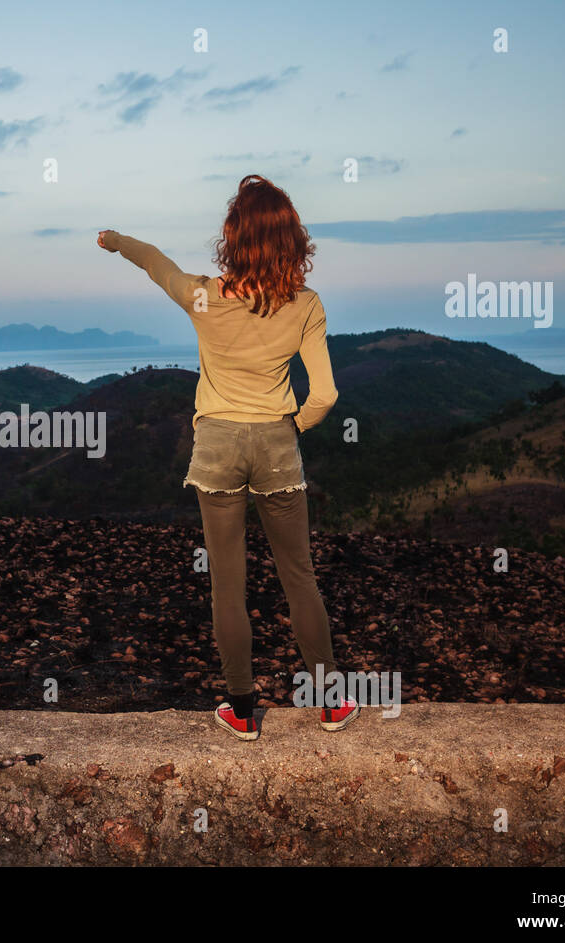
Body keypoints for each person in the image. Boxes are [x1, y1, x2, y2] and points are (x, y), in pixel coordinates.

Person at [97, 174, 359, 741]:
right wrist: (293, 426)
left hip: (216, 447)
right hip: (276, 446)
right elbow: (326, 394)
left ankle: (242, 710)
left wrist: (115, 240)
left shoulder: (203, 296)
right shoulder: (306, 305)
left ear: (233, 237)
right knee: (299, 576)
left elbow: (155, 262)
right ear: (291, 239)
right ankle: (331, 704)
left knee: (227, 585)